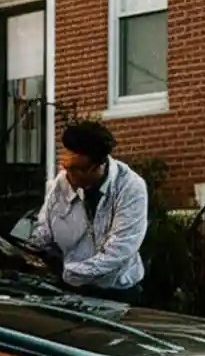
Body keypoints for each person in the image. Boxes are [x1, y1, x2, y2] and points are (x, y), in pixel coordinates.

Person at [26, 119, 149, 304]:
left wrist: (69, 273)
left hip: (116, 292)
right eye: (65, 166)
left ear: (97, 166)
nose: (68, 174)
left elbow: (120, 249)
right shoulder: (61, 183)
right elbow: (45, 230)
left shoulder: (130, 187)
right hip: (69, 290)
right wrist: (28, 253)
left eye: (75, 169)